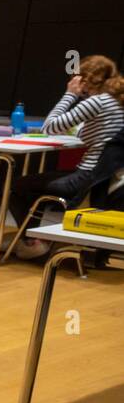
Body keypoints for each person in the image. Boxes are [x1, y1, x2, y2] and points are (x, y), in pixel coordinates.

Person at [8, 55, 124, 259]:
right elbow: (85, 134)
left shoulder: (97, 101)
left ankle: (33, 243)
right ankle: (42, 240)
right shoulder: (117, 101)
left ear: (84, 80)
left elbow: (49, 127)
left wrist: (69, 95)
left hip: (88, 176)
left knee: (19, 187)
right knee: (38, 185)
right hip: (106, 177)